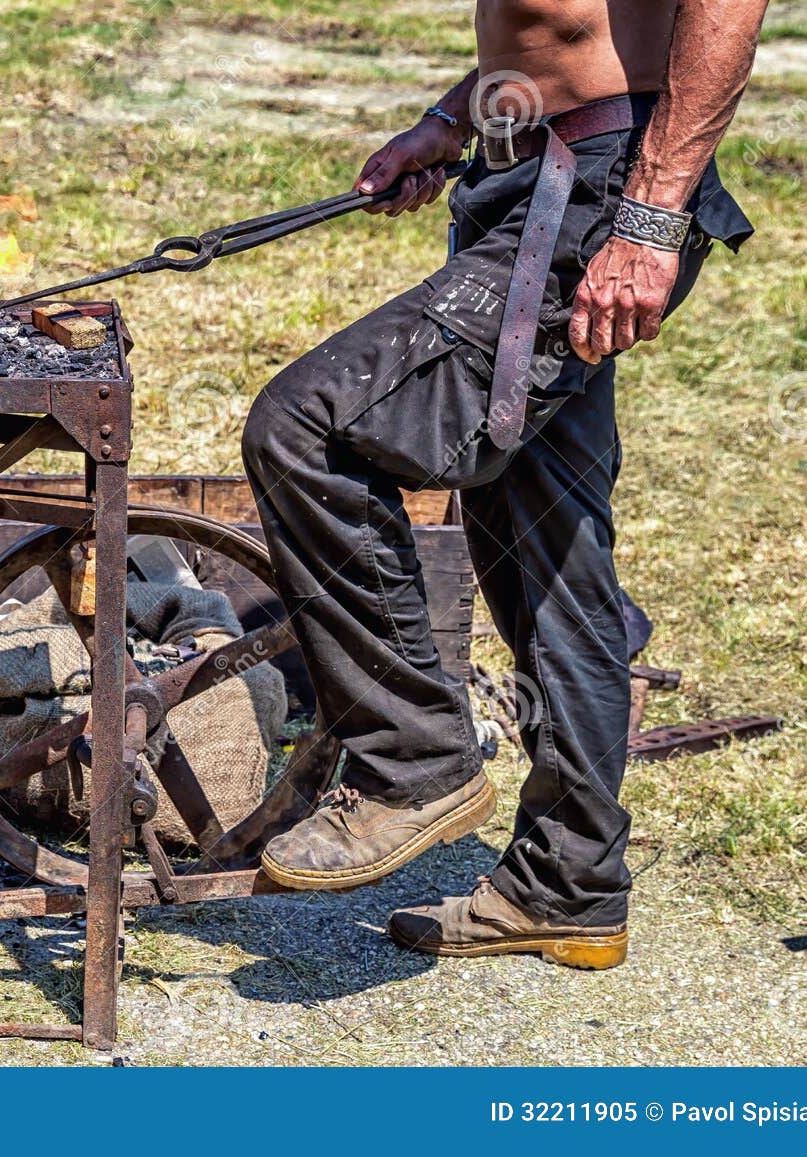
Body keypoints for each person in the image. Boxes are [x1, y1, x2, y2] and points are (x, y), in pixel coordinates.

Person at [245, 0, 765, 968]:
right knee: (542, 544)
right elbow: (547, 29)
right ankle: (568, 884)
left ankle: (413, 760)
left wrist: (649, 219)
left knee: (306, 426)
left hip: (597, 198)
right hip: (534, 181)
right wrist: (453, 123)